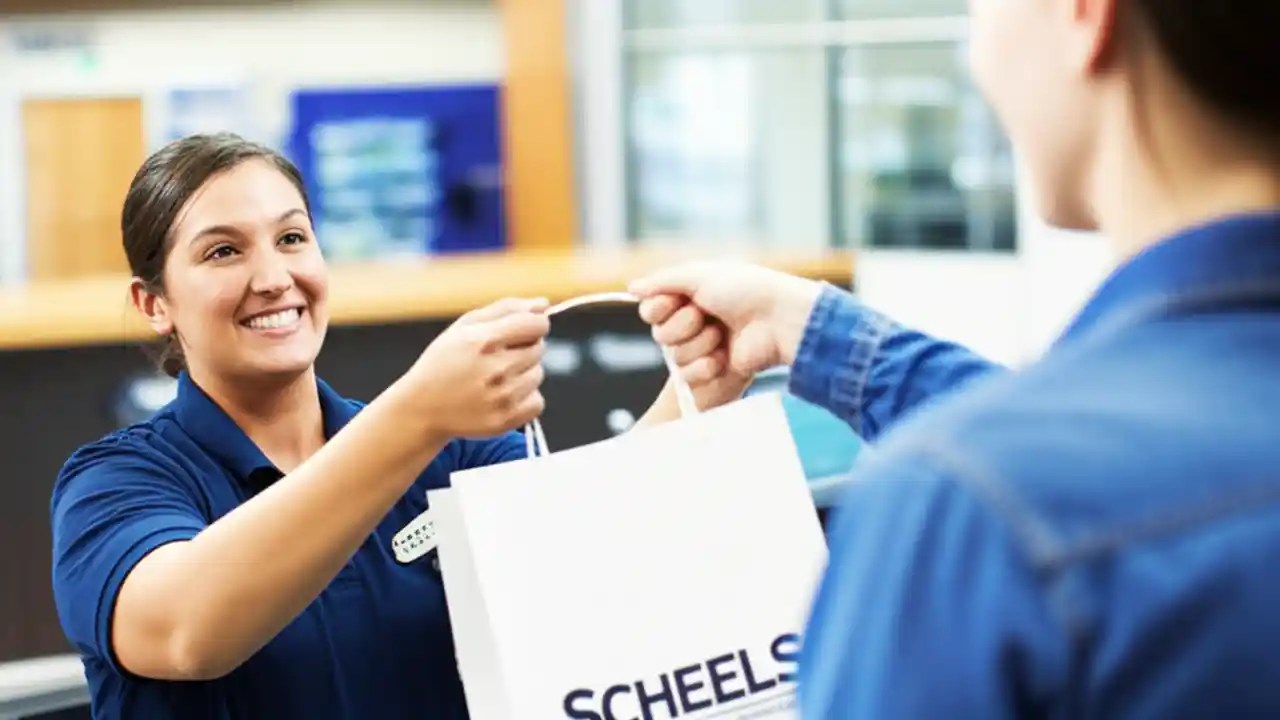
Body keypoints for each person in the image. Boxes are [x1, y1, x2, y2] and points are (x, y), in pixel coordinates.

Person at [632, 0, 1280, 716]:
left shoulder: (963, 523)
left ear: (1086, 15)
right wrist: (824, 334)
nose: (978, 56)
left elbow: (1039, 495)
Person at [49, 132, 743, 719]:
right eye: (223, 252)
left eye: (292, 238)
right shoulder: (115, 484)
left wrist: (704, 384)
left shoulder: (449, 450)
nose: (273, 277)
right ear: (154, 303)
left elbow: (585, 551)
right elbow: (187, 633)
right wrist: (415, 416)